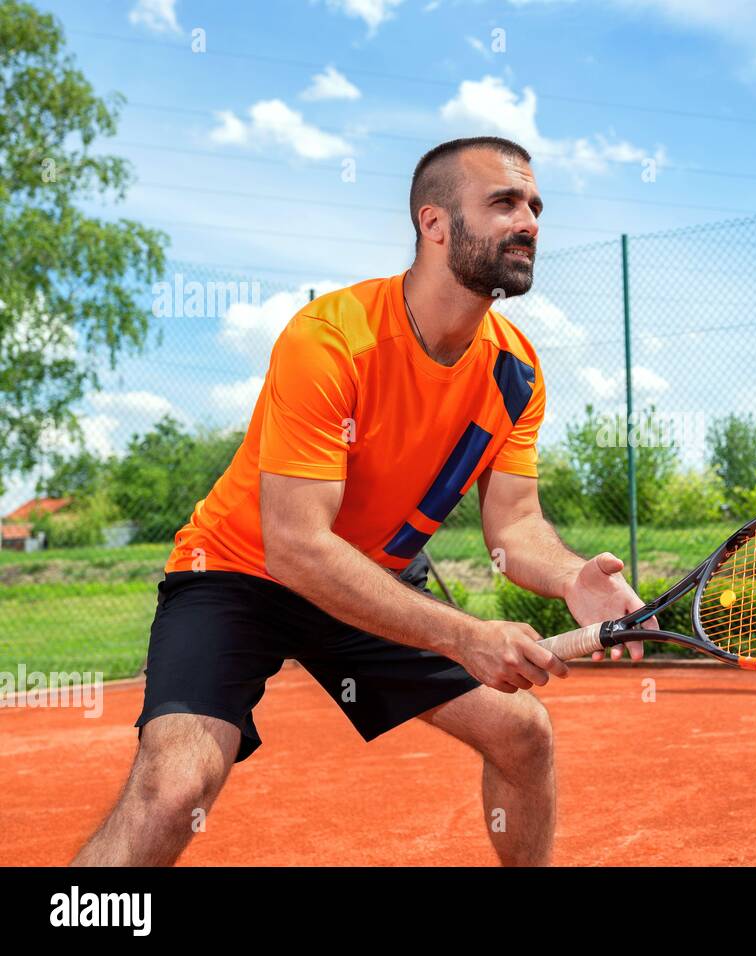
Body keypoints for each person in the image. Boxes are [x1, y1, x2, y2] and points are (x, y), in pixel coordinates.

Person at [71, 136, 650, 867]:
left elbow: (517, 524)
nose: (530, 220)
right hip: (241, 574)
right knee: (176, 788)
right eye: (504, 202)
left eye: (535, 205)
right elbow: (297, 547)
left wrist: (570, 576)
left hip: (374, 577)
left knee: (522, 733)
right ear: (433, 223)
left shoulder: (517, 371)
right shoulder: (332, 340)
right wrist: (464, 635)